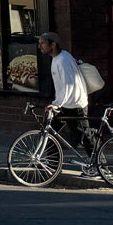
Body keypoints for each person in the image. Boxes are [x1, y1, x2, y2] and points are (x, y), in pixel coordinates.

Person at [39, 31, 92, 160]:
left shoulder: (63, 60)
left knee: (85, 136)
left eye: (43, 43)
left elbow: (68, 84)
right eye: (39, 43)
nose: (40, 46)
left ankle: (99, 166)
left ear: (53, 45)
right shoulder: (57, 58)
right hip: (65, 103)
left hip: (75, 104)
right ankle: (52, 164)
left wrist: (56, 104)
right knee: (50, 130)